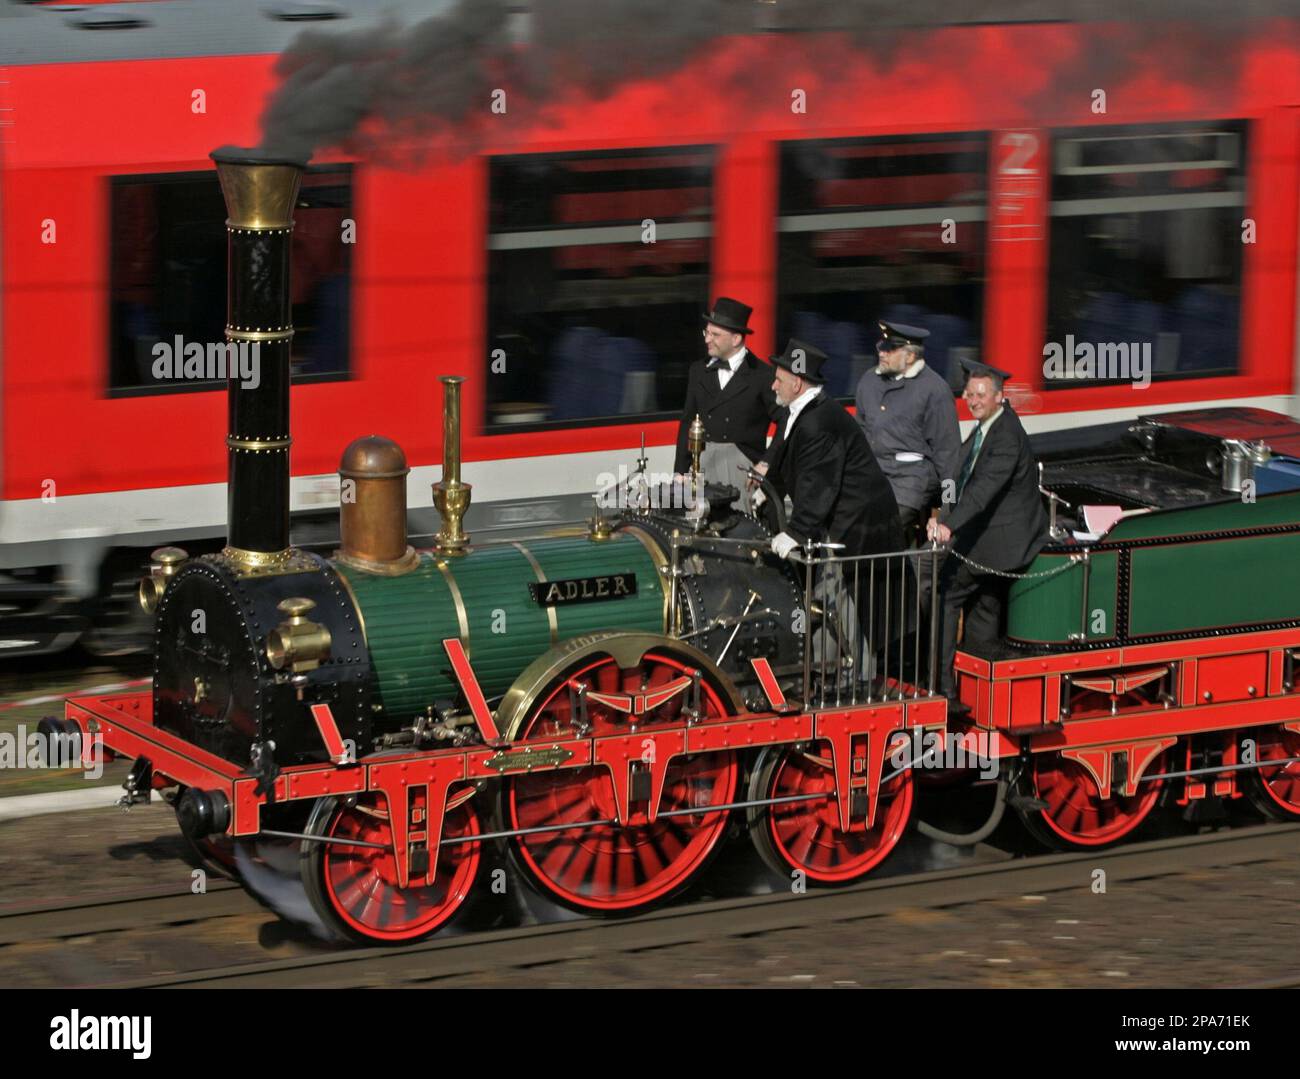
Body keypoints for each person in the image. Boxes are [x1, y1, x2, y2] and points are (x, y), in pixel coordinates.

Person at [927, 358, 1048, 711]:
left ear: (998, 396)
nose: (972, 400)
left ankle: (943, 689)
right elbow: (959, 477)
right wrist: (940, 510)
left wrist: (949, 525)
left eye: (980, 394)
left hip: (1003, 542)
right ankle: (975, 689)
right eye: (968, 393)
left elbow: (982, 492)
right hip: (988, 536)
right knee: (983, 607)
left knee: (946, 593)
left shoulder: (1006, 436)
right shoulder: (985, 427)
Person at [854, 320, 961, 543]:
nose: (881, 353)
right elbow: (860, 433)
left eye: (889, 349)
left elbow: (948, 455)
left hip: (910, 482)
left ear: (910, 356)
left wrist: (947, 511)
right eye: (880, 346)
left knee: (875, 532)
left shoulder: (935, 390)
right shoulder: (869, 380)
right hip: (870, 477)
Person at [674, 297, 782, 505]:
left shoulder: (763, 375)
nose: (707, 339)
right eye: (707, 332)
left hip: (741, 468)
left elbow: (786, 422)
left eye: (715, 335)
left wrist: (766, 463)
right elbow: (687, 421)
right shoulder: (698, 370)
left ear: (736, 339)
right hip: (701, 464)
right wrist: (679, 471)